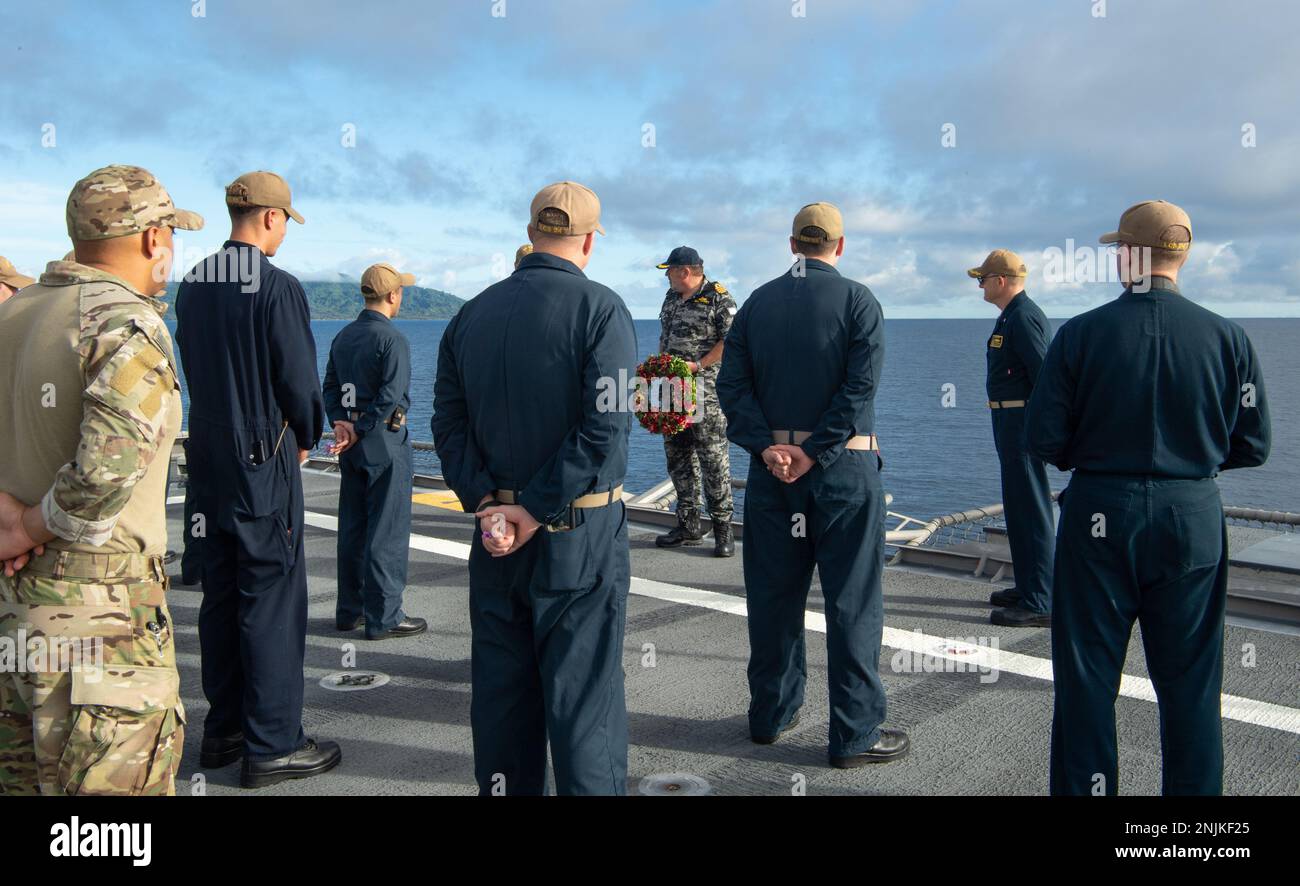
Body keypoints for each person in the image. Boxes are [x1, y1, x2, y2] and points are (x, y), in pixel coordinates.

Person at [1026, 199, 1271, 795]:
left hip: (1100, 513)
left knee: (1087, 681)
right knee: (1190, 687)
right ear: (1182, 255)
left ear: (1128, 256)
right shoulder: (1228, 338)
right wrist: (1191, 464)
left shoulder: (1081, 335)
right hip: (1193, 515)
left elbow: (1043, 438)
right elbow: (1254, 444)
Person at [433, 181, 636, 795]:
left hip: (494, 536)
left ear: (530, 234)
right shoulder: (603, 309)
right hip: (578, 532)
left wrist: (492, 504)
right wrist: (536, 508)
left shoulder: (470, 314)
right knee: (584, 706)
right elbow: (606, 425)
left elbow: (448, 421)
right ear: (591, 240)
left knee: (501, 702)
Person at [0, 165, 197, 794]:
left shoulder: (15, 314)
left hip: (14, 618)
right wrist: (27, 525)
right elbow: (106, 472)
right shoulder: (125, 323)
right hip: (99, 623)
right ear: (152, 239)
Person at [718, 202, 909, 767]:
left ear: (792, 244)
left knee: (773, 598)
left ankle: (770, 715)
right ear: (839, 246)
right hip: (842, 472)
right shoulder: (858, 301)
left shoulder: (756, 303)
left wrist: (769, 446)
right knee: (852, 601)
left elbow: (732, 387)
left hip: (772, 473)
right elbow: (859, 390)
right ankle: (853, 734)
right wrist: (814, 451)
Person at [174, 170, 341, 789]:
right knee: (270, 596)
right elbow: (297, 379)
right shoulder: (276, 287)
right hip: (260, 458)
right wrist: (304, 433)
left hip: (209, 454)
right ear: (273, 218)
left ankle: (224, 731)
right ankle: (274, 741)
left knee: (220, 591)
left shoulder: (191, 285)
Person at [322, 263, 425, 640]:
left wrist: (341, 424)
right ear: (393, 295)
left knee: (353, 527)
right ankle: (385, 616)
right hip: (384, 441)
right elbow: (391, 396)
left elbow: (330, 387)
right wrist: (363, 429)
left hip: (351, 443)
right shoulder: (392, 339)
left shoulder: (343, 336)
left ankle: (349, 610)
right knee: (387, 529)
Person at [968, 249, 1055, 627]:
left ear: (1000, 280)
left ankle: (1041, 599)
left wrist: (1041, 428)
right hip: (1010, 419)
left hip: (1021, 422)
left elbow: (1045, 377)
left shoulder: (1022, 317)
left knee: (1029, 508)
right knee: (1018, 507)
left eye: (982, 279)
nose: (980, 285)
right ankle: (1030, 586)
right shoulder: (1013, 315)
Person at [652, 246, 737, 557]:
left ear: (685, 271)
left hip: (705, 394)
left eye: (670, 271)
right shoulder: (672, 298)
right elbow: (666, 335)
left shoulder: (719, 298)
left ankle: (723, 530)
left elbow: (731, 341)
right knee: (679, 459)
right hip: (671, 391)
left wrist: (699, 365)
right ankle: (689, 525)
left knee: (713, 461)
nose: (667, 277)